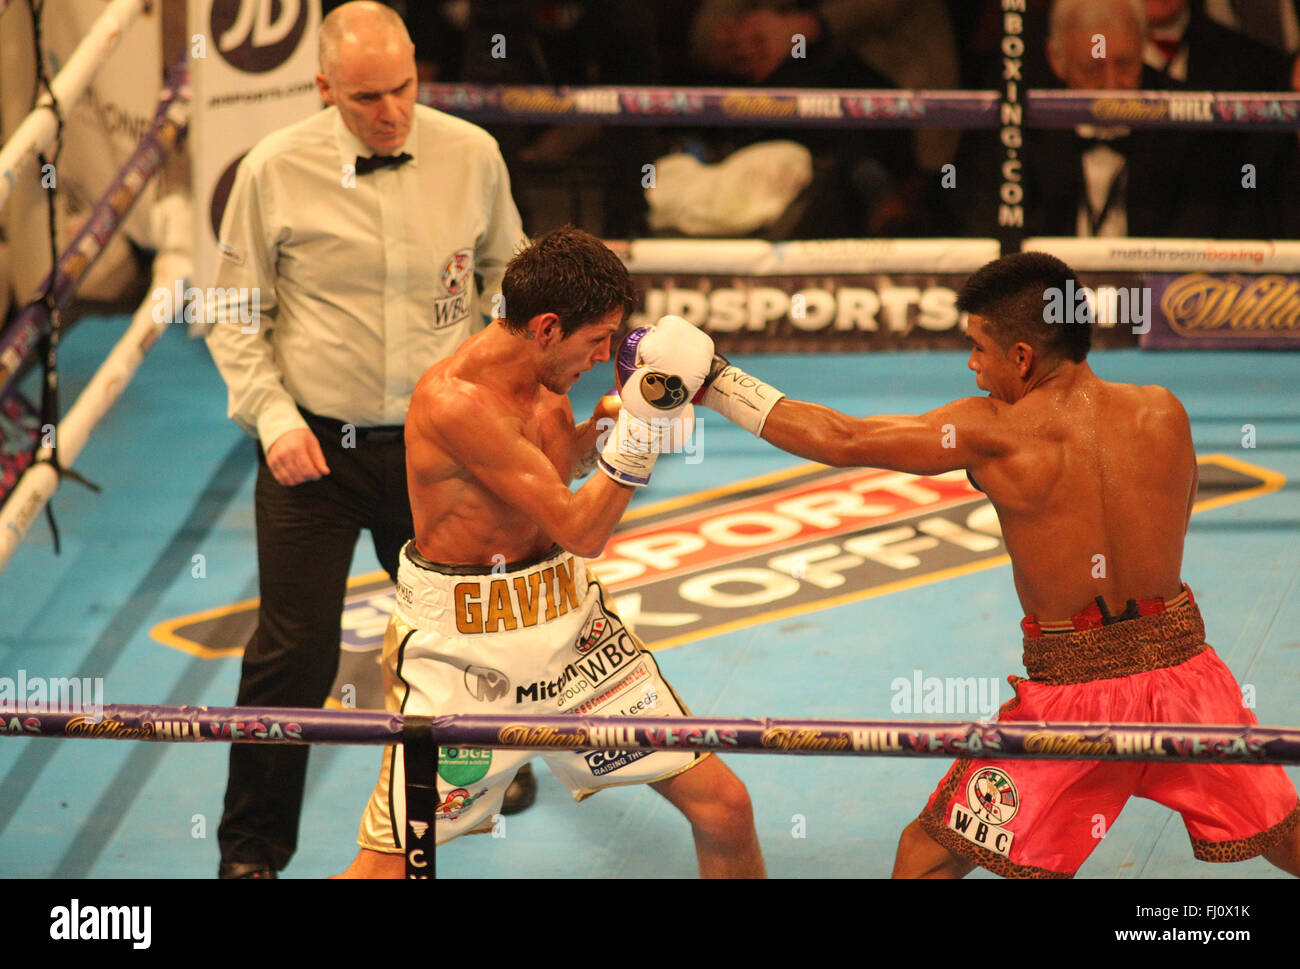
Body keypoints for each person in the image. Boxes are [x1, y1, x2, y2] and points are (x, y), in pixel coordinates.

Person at [693, 250, 1300, 878]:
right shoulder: (1162, 410)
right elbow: (1176, 508)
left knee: (925, 859)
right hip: (1186, 678)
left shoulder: (993, 431)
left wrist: (716, 381)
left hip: (1072, 697)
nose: (971, 365)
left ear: (1021, 357)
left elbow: (844, 438)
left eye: (978, 348)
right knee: (1286, 836)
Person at [204, 1, 531, 880]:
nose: (390, 112)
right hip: (313, 443)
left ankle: (495, 764)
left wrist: (500, 385)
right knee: (290, 652)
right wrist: (271, 417)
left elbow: (510, 273)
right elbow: (233, 312)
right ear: (322, 88)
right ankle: (251, 853)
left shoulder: (472, 154)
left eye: (403, 89)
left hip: (439, 442)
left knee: (473, 631)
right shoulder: (274, 168)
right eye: (365, 98)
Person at [337, 226, 765, 878]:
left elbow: (551, 468)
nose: (604, 354)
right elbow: (581, 528)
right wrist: (639, 438)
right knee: (386, 869)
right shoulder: (455, 401)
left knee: (725, 806)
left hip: (573, 633)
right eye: (596, 339)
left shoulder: (549, 378)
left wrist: (614, 423)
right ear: (544, 328)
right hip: (463, 648)